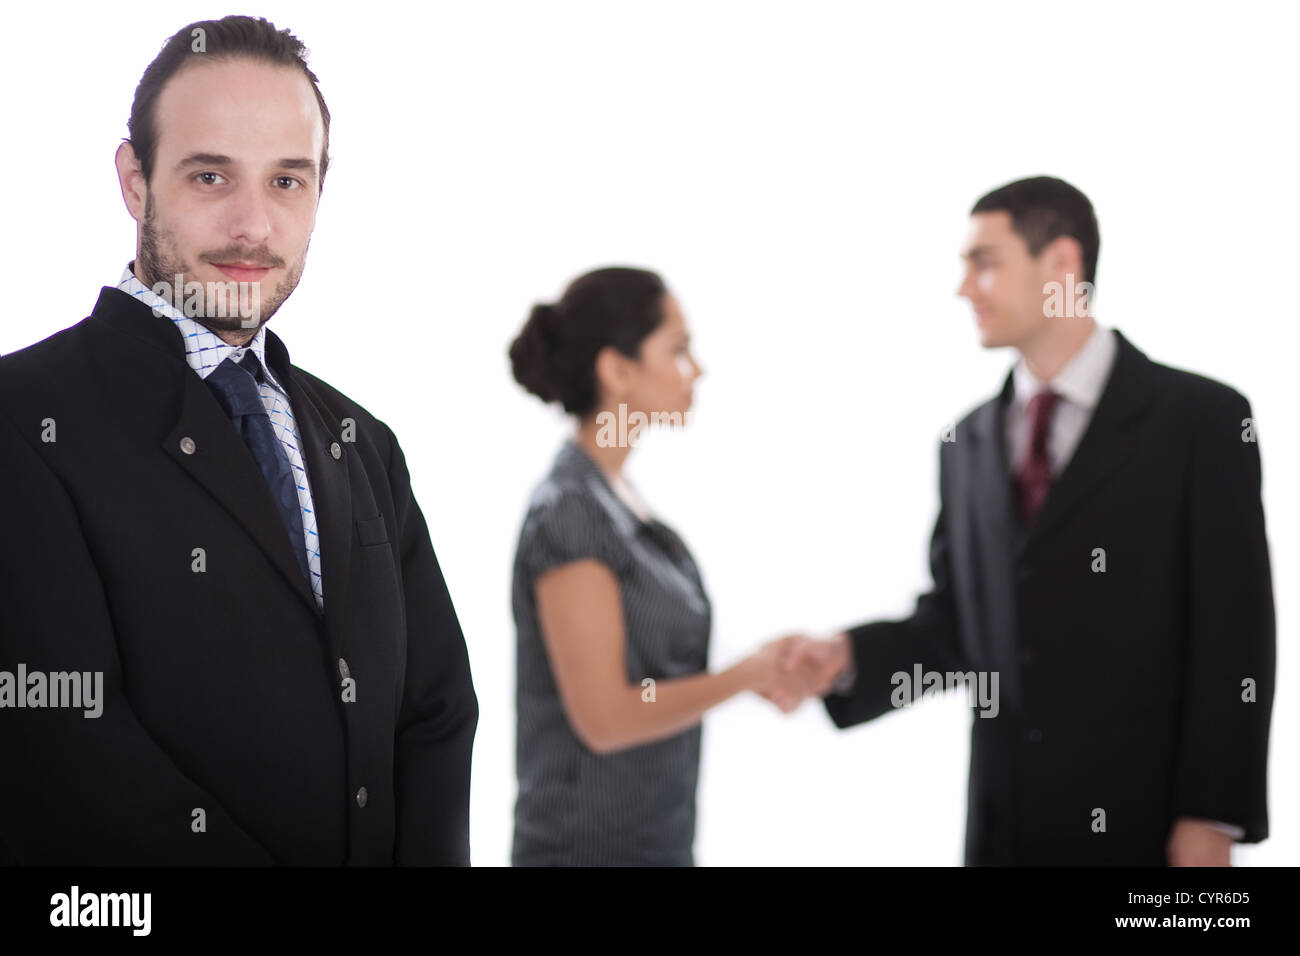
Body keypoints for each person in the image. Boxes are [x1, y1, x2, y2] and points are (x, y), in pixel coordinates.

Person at [0, 16, 477, 865]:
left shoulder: (362, 443)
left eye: (288, 181)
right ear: (135, 181)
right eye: (211, 175)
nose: (254, 225)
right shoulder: (19, 419)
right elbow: (66, 754)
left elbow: (434, 711)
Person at [775, 177, 1275, 866]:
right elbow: (957, 627)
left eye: (984, 261)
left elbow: (1235, 637)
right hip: (1004, 830)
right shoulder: (967, 443)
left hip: (1145, 832)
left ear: (1063, 264)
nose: (964, 288)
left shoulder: (1200, 421)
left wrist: (1211, 819)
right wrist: (849, 659)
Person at [508, 266, 811, 865]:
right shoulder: (571, 512)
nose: (695, 370)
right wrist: (744, 677)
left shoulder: (619, 503)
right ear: (617, 369)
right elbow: (606, 717)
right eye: (678, 349)